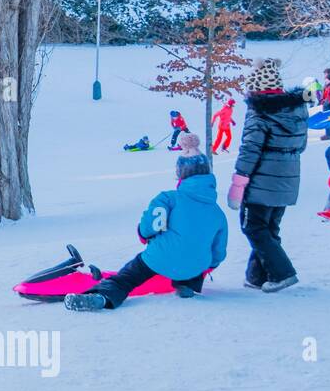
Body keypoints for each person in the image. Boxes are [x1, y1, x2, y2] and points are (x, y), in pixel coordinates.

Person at [66, 133, 227, 311]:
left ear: (181, 174)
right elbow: (218, 252)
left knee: (126, 278)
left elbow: (149, 227)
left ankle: (101, 297)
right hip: (196, 267)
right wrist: (204, 266)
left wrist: (144, 235)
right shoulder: (218, 213)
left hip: (159, 258)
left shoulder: (168, 198)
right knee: (193, 265)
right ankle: (188, 286)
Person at [227, 58, 308, 292]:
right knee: (268, 228)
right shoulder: (296, 111)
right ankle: (256, 277)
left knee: (253, 226)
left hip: (262, 180)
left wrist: (239, 181)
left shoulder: (259, 114)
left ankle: (284, 273)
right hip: (287, 178)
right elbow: (301, 146)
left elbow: (249, 150)